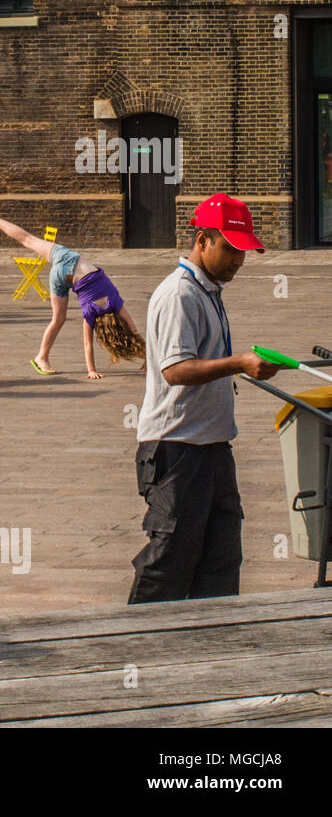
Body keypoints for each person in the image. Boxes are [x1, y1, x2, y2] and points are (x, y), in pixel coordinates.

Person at [128, 194, 281, 604]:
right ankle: (137, 642)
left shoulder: (208, 290)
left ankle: (211, 641)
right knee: (170, 559)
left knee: (221, 559)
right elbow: (175, 371)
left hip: (211, 445)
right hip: (176, 449)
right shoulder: (180, 294)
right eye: (230, 249)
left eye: (243, 252)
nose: (237, 261)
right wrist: (238, 363)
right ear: (202, 241)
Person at [0, 206, 146, 379]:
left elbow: (133, 330)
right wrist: (91, 370)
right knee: (58, 319)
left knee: (28, 239)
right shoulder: (91, 313)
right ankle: (41, 357)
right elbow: (88, 344)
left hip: (67, 259)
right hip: (64, 278)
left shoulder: (114, 302)